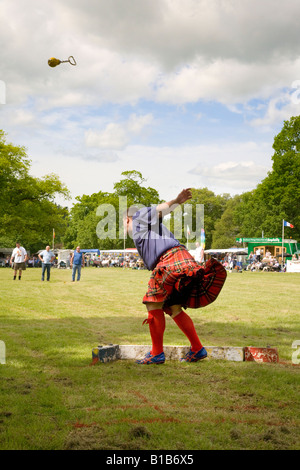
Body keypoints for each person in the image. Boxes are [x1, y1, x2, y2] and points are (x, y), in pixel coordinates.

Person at [124, 188, 227, 365]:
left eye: (123, 225)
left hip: (169, 260)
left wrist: (177, 201)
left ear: (127, 220)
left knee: (152, 302)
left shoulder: (139, 218)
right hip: (179, 257)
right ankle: (197, 349)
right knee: (173, 307)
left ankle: (156, 354)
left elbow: (158, 210)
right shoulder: (149, 228)